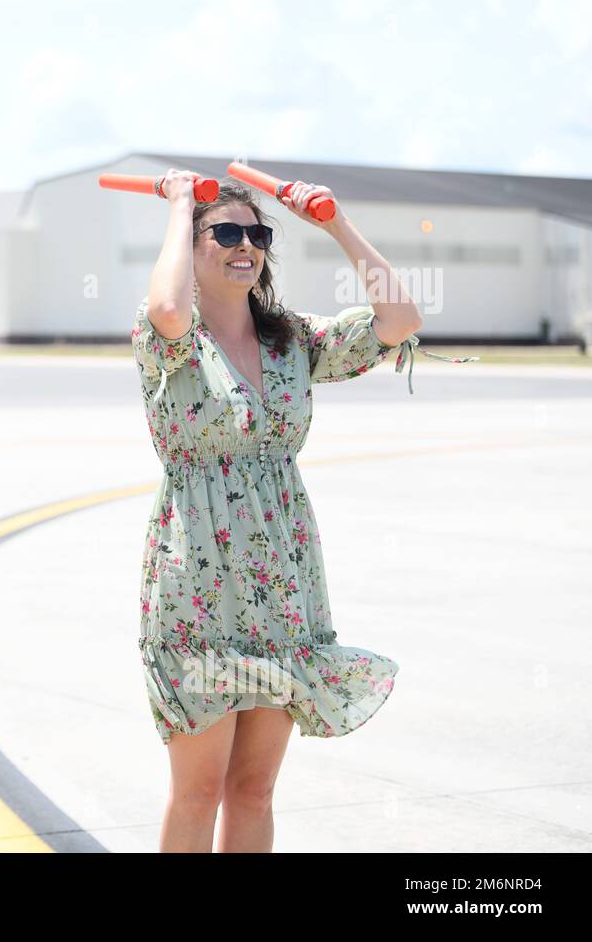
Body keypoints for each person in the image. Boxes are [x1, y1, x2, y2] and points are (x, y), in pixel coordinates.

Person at [131, 170, 477, 853]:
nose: (245, 246)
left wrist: (335, 224)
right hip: (199, 586)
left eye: (257, 235)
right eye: (225, 233)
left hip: (283, 585)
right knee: (198, 791)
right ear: (192, 244)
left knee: (254, 789)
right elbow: (170, 307)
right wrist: (178, 206)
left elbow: (400, 322)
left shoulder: (291, 339)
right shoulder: (170, 342)